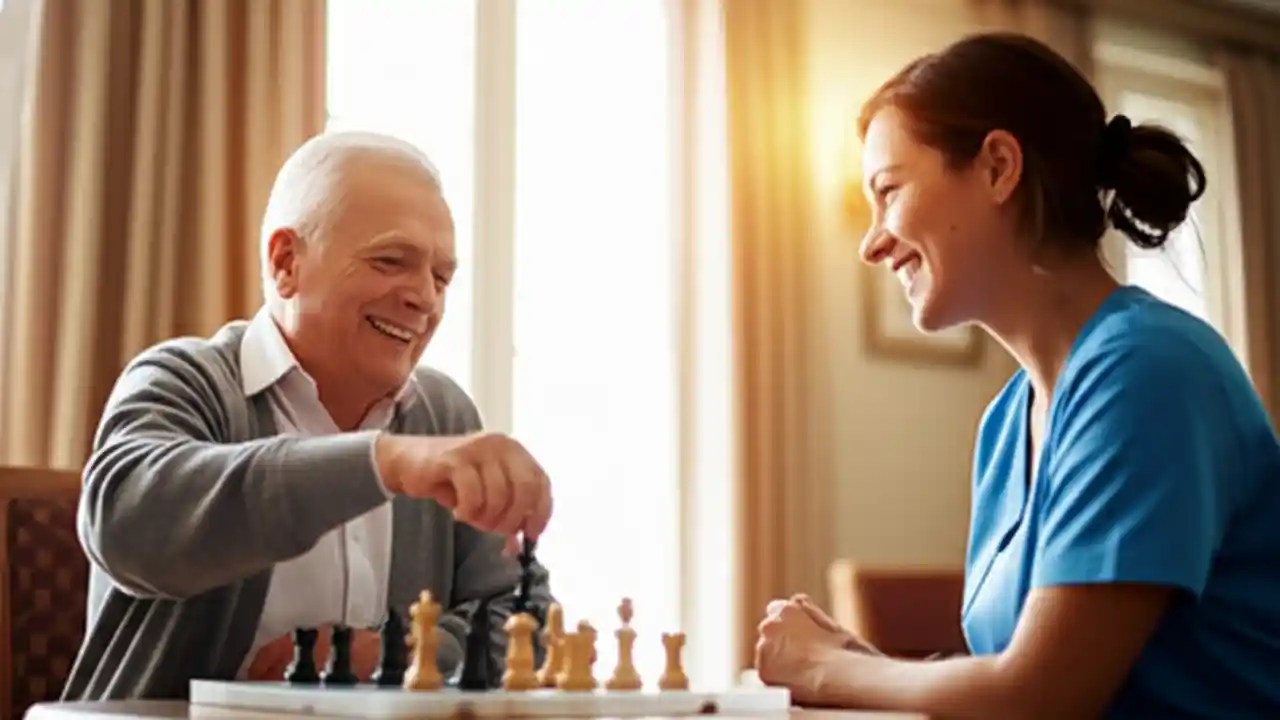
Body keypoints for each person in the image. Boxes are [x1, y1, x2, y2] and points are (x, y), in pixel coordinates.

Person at [755, 32, 1280, 719]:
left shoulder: (1147, 371)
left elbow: (1043, 695)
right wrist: (862, 666)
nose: (871, 240)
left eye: (888, 191)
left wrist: (830, 672)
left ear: (999, 167)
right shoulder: (1007, 424)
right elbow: (1022, 680)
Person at [62, 131, 555, 699]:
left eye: (441, 277)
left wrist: (390, 654)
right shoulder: (182, 380)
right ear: (286, 262)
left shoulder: (441, 415)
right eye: (392, 261)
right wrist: (381, 463)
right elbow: (127, 530)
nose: (425, 299)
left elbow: (526, 622)